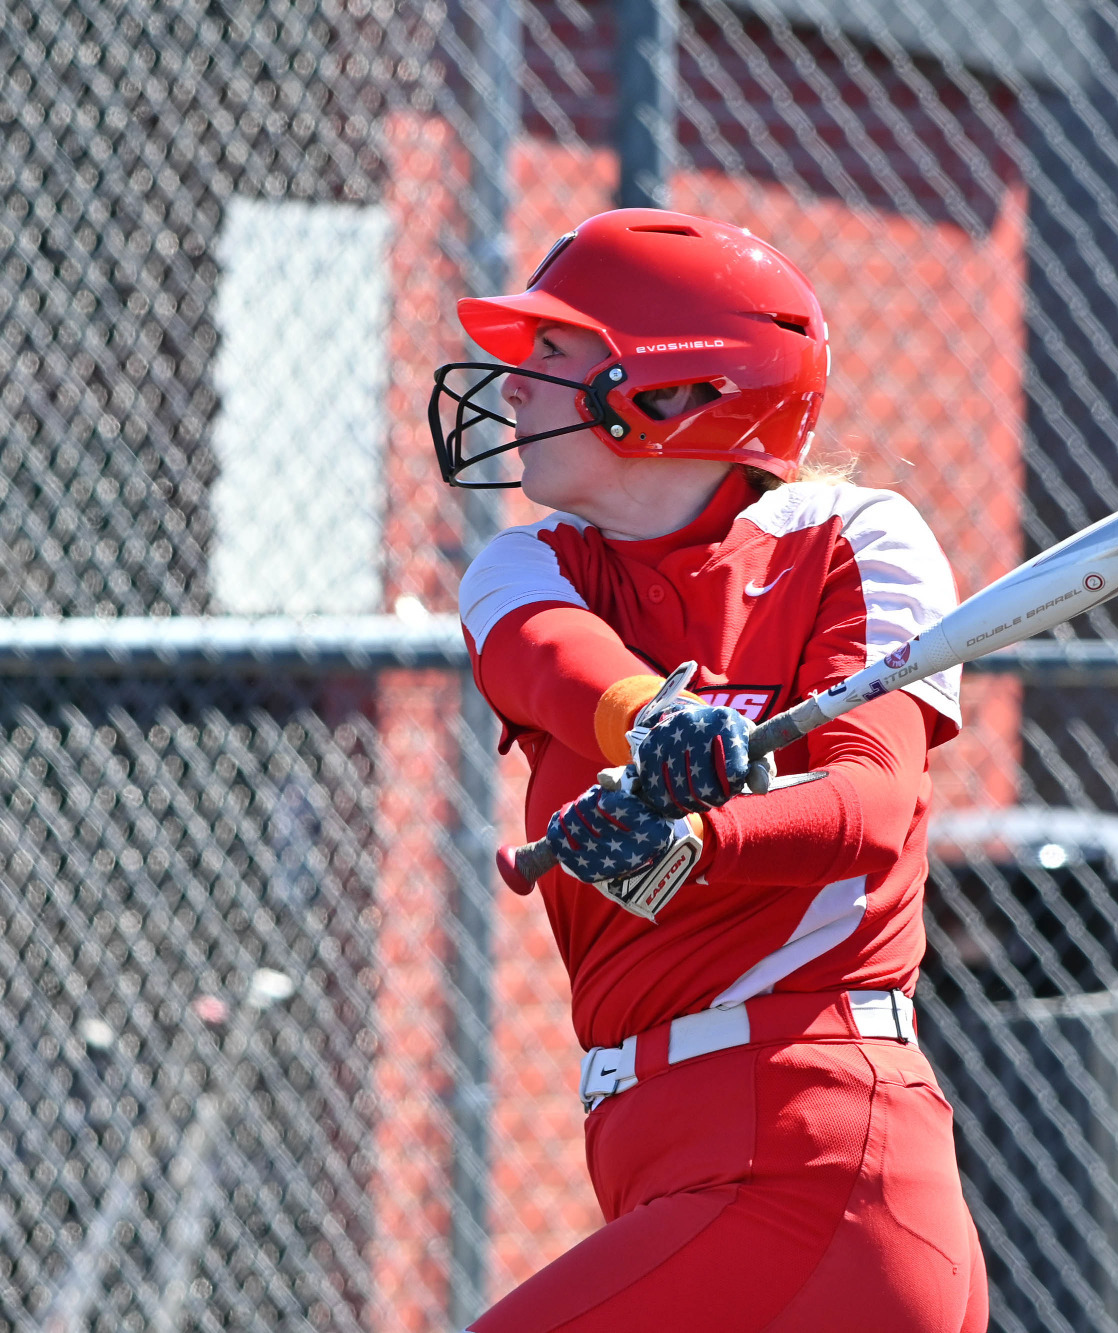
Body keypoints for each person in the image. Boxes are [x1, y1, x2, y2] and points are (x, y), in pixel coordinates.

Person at [431, 208, 986, 1332]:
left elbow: (871, 805)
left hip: (813, 1161)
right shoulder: (528, 562)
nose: (513, 381)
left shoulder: (851, 537)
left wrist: (694, 838)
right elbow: (552, 663)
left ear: (676, 393)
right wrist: (654, 728)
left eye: (554, 352)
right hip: (665, 1159)